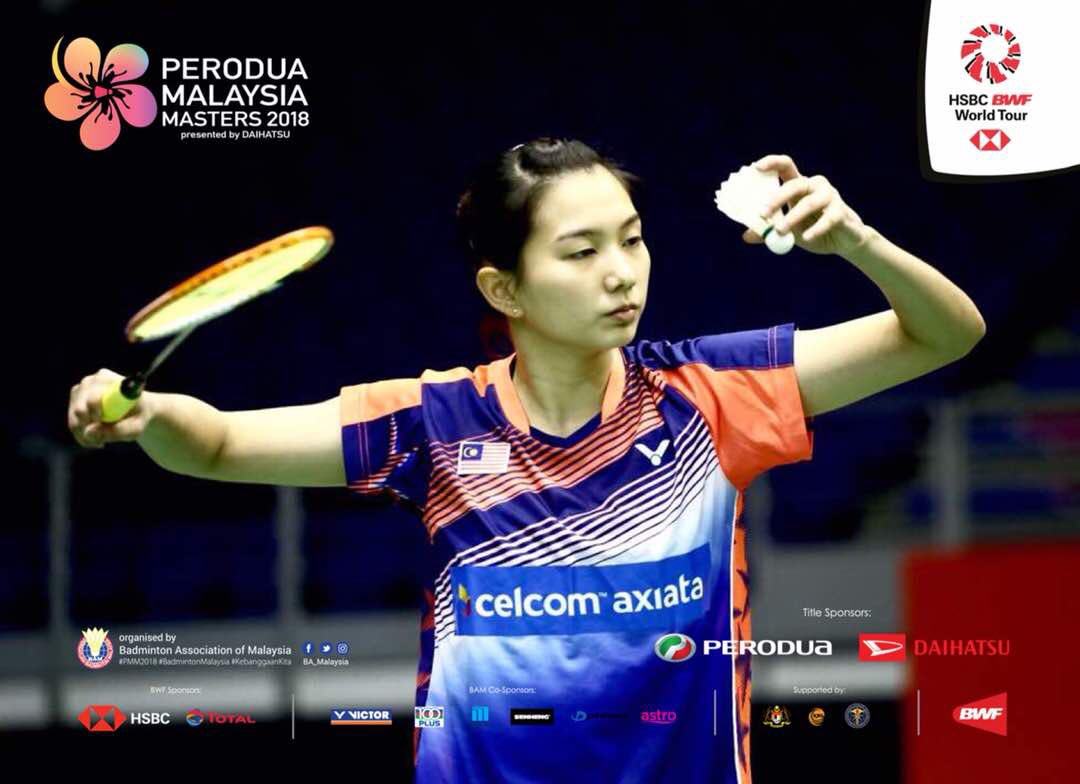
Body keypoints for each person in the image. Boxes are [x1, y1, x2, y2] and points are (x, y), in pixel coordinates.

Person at [67, 137, 985, 782]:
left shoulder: (710, 394)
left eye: (632, 238)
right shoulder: (434, 423)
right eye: (580, 252)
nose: (621, 271)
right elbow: (218, 444)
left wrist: (854, 240)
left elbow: (945, 335)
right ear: (503, 288)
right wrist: (150, 413)